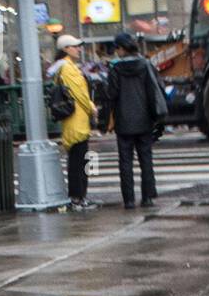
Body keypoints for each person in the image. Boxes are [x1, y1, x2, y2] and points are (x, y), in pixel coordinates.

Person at [107, 32, 166, 209]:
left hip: (124, 122)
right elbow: (153, 91)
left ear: (121, 48)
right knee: (146, 159)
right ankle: (147, 197)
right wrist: (156, 117)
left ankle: (129, 199)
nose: (116, 52)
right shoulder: (145, 65)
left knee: (125, 162)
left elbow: (112, 95)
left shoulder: (115, 69)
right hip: (144, 120)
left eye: (116, 48)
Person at [54, 34, 98, 212]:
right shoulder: (67, 68)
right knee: (78, 161)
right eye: (74, 46)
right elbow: (79, 93)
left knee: (80, 160)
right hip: (76, 121)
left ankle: (80, 197)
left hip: (77, 121)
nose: (78, 49)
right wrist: (91, 108)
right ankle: (77, 198)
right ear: (65, 49)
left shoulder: (67, 66)